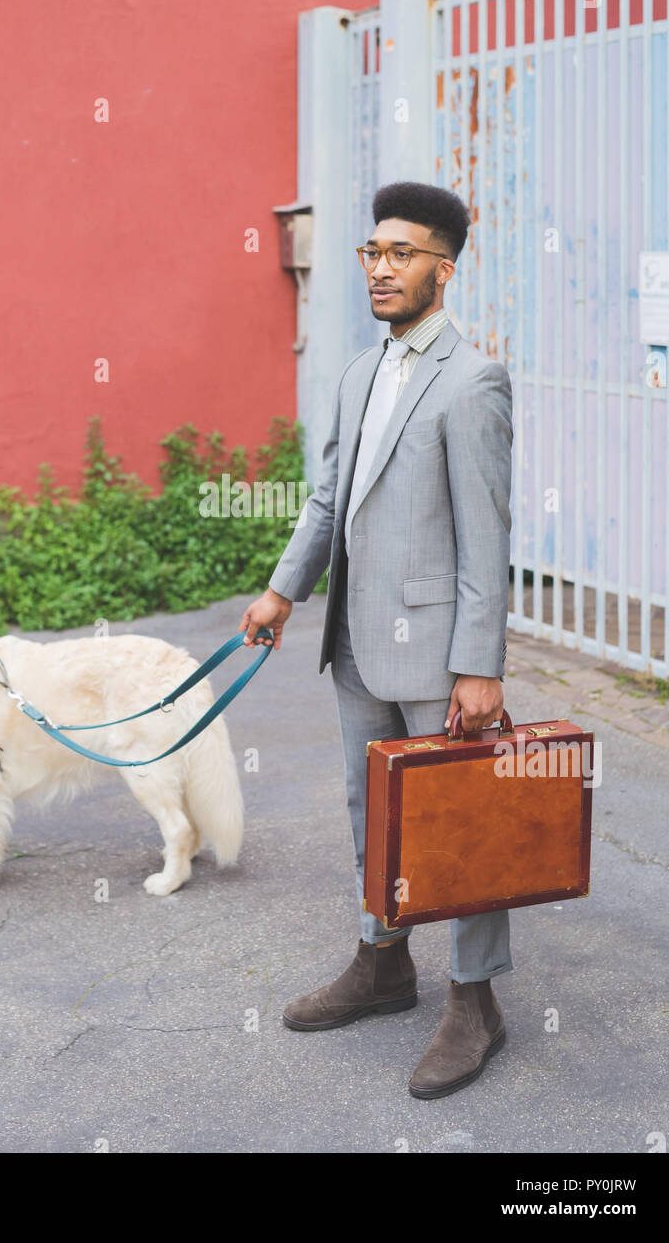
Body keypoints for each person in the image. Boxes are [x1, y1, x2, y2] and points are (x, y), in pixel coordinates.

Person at [239, 181, 514, 1098]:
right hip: (356, 641)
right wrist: (283, 591)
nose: (381, 269)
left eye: (402, 254)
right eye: (371, 253)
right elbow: (328, 498)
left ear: (444, 267)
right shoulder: (360, 373)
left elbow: (488, 533)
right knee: (375, 812)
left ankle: (474, 1001)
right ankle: (382, 963)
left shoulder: (473, 381)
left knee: (461, 825)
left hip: (440, 653)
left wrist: (480, 663)